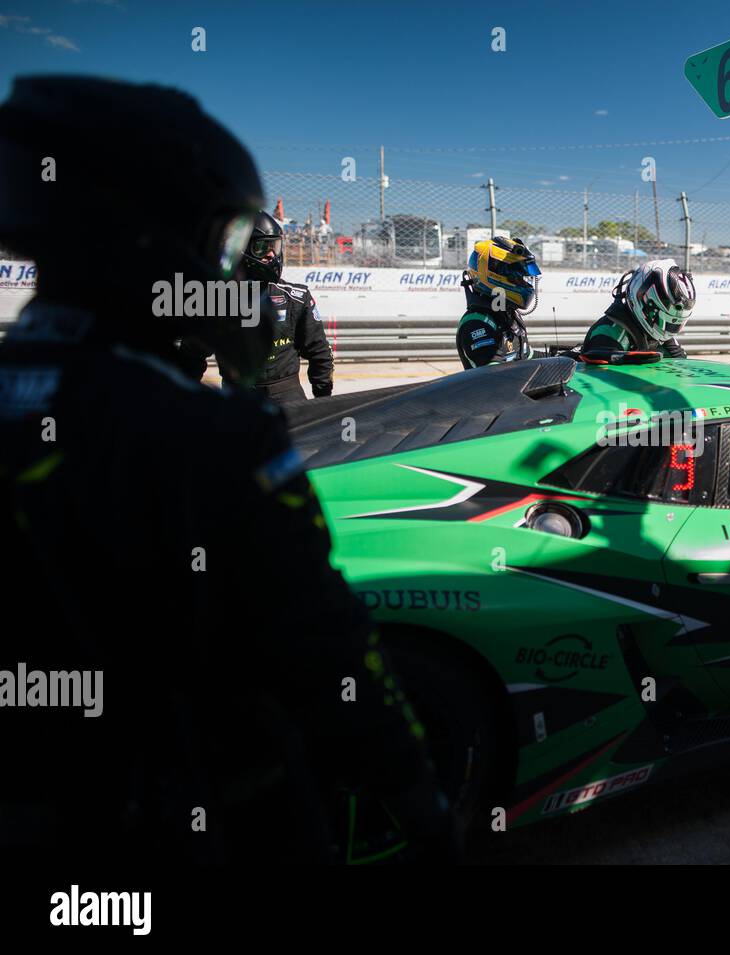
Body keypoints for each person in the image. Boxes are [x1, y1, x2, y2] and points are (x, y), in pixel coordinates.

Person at [0, 75, 447, 862]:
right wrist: (415, 792)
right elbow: (328, 651)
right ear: (172, 234)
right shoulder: (213, 437)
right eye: (226, 239)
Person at [186, 212, 335, 404]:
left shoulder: (296, 298)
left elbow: (320, 352)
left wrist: (324, 404)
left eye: (275, 246)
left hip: (288, 396)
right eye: (262, 247)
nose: (271, 254)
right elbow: (191, 356)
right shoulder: (217, 300)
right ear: (242, 249)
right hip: (238, 398)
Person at [581, 259, 696, 359]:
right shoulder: (608, 333)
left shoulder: (662, 337)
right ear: (646, 302)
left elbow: (681, 363)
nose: (671, 329)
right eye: (669, 323)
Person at [455, 235, 540, 369]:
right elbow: (495, 378)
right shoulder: (477, 323)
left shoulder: (509, 313)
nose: (524, 282)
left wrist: (566, 356)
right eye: (517, 278)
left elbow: (527, 356)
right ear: (494, 276)